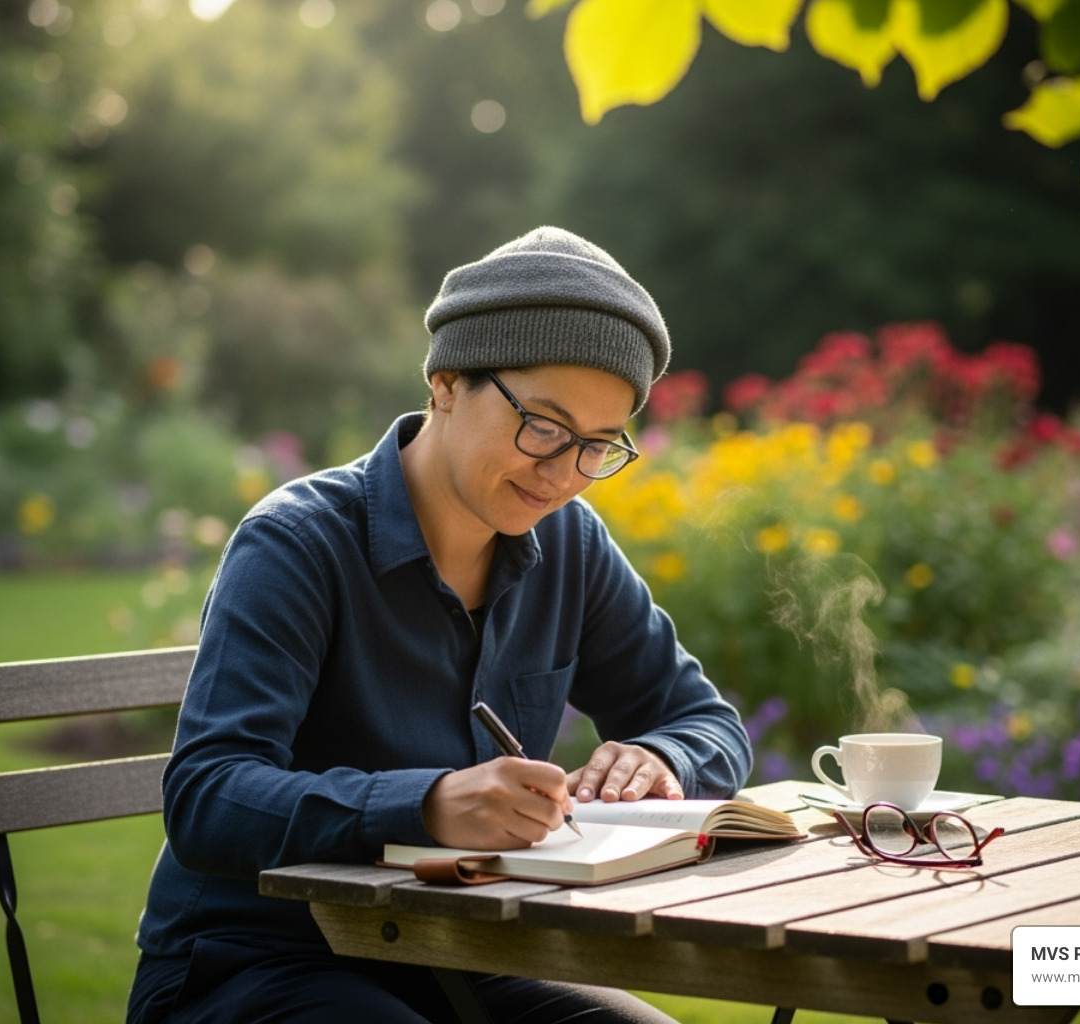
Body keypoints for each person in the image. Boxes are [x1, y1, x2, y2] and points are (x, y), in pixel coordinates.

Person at [126, 227, 753, 1024]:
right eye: (544, 426)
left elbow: (707, 723)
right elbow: (207, 795)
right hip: (254, 962)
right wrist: (425, 805)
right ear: (447, 382)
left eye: (596, 446)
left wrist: (660, 756)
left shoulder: (570, 545)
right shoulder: (298, 543)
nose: (563, 474)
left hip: (460, 955)